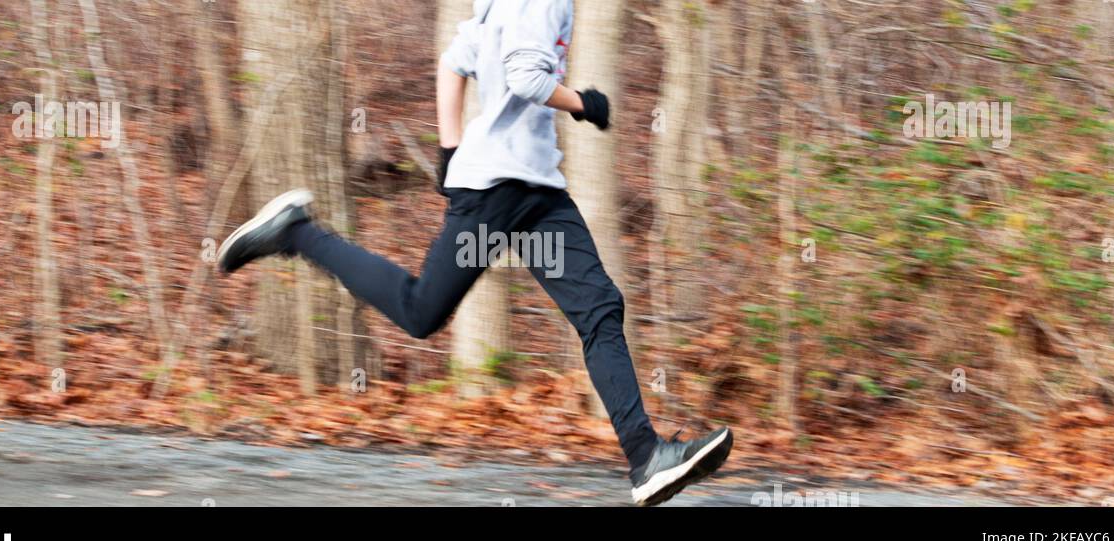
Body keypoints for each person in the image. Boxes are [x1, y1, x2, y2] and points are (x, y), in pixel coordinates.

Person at [216, 0, 731, 506]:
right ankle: (297, 233)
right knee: (420, 311)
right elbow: (526, 79)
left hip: (535, 198)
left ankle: (647, 459)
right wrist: (585, 104)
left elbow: (452, 63)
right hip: (498, 191)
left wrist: (448, 150)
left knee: (599, 308)